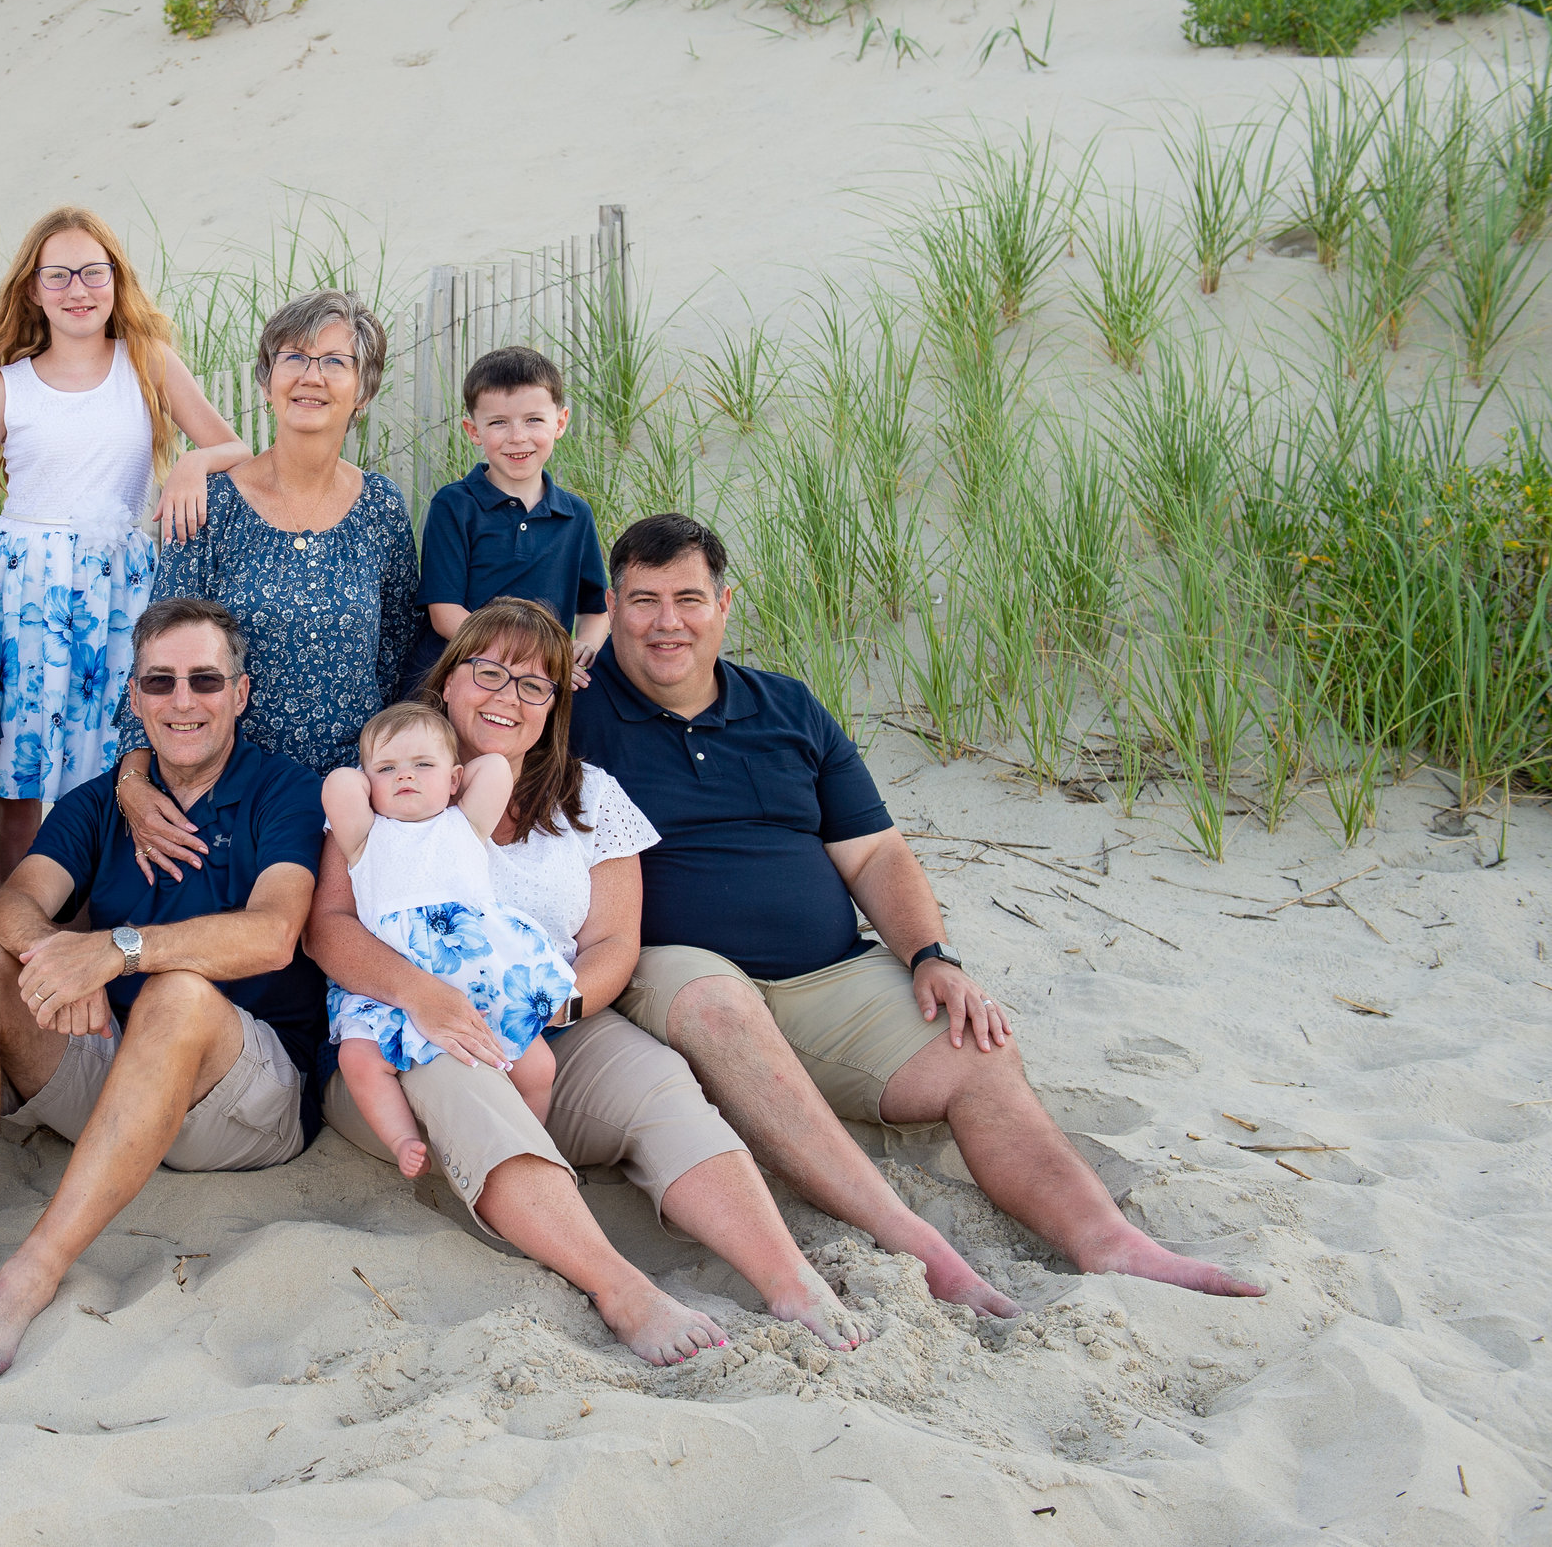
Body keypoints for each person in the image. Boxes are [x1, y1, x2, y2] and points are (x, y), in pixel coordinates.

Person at [575, 514, 1268, 1309]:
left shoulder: (787, 707)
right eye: (644, 601)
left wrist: (930, 955)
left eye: (688, 599)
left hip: (828, 976)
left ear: (724, 605)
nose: (666, 622)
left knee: (974, 1047)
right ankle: (916, 1243)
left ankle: (1105, 1238)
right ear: (612, 607)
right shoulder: (572, 710)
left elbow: (873, 853)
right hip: (674, 976)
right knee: (717, 1005)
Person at [310, 599, 872, 1361]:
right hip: (397, 1037)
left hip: (546, 1025)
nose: (507, 697)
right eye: (487, 673)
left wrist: (551, 1005)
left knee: (658, 1084)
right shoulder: (390, 788)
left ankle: (787, 1277)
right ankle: (622, 1290)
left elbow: (613, 942)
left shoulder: (590, 795)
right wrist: (422, 994)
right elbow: (326, 929)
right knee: (462, 1070)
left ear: (553, 704)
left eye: (532, 684)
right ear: (446, 682)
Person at [0, 598, 326, 1377]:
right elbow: (12, 906)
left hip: (243, 1100)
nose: (182, 700)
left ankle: (29, 1276)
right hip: (117, 1069)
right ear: (134, 696)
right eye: (159, 681)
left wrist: (115, 952)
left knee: (177, 993)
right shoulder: (102, 800)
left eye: (205, 680)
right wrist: (57, 959)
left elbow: (273, 933)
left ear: (239, 693)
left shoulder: (286, 790)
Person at [0, 206, 251, 886]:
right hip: (21, 595)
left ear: (116, 280)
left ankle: (95, 914)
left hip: (117, 593)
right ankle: (18, 916)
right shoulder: (11, 387)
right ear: (33, 290)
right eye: (57, 275)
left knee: (111, 764)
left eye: (93, 272)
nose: (77, 290)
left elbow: (233, 447)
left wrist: (191, 464)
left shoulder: (147, 364)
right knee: (18, 777)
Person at [111, 290, 419, 876]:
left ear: (363, 390)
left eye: (335, 361)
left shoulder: (381, 506)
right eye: (293, 357)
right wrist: (133, 777)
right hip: (232, 796)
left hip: (353, 796)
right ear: (267, 380)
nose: (311, 375)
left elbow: (399, 654)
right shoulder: (210, 503)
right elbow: (156, 651)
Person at [324, 701, 574, 1178]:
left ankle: (534, 1138)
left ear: (455, 779)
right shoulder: (364, 839)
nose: (405, 776)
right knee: (358, 1058)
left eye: (423, 765)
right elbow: (338, 784)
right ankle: (403, 1138)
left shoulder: (466, 823)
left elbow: (494, 766)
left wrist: (445, 780)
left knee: (538, 1067)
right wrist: (372, 776)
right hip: (396, 982)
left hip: (479, 979)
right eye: (387, 769)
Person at [405, 345, 609, 692]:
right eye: (498, 422)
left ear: (560, 423)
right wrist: (526, 660)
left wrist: (583, 647)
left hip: (535, 686)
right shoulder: (454, 505)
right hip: (456, 684)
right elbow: (445, 614)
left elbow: (595, 609)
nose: (517, 437)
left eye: (533, 420)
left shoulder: (576, 515)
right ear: (473, 431)